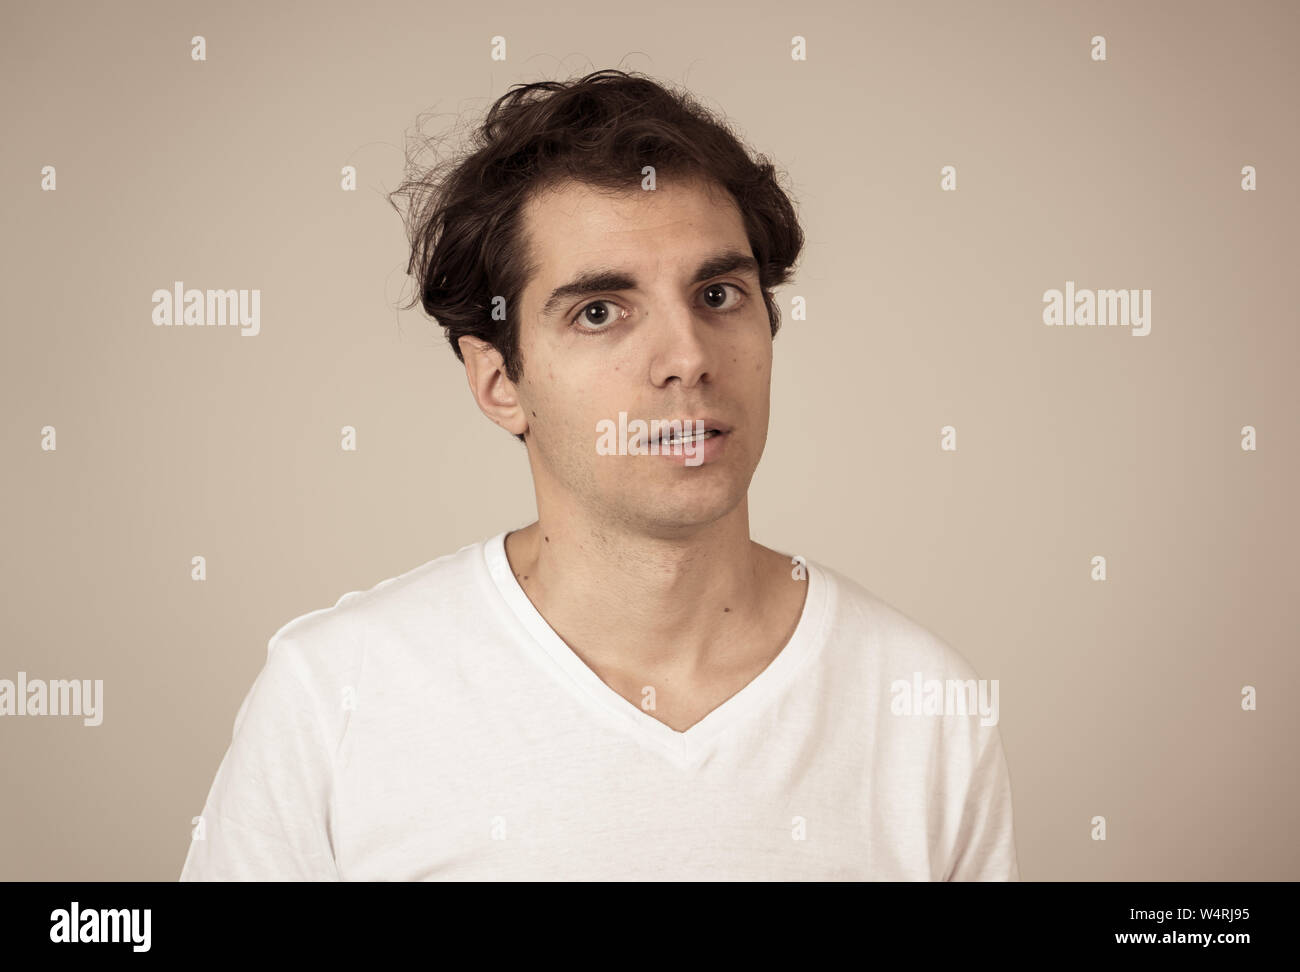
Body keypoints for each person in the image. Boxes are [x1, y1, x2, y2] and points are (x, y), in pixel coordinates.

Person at [180, 69, 1019, 881]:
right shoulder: (337, 695)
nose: (687, 358)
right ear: (500, 382)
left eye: (719, 295)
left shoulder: (923, 706)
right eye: (598, 313)